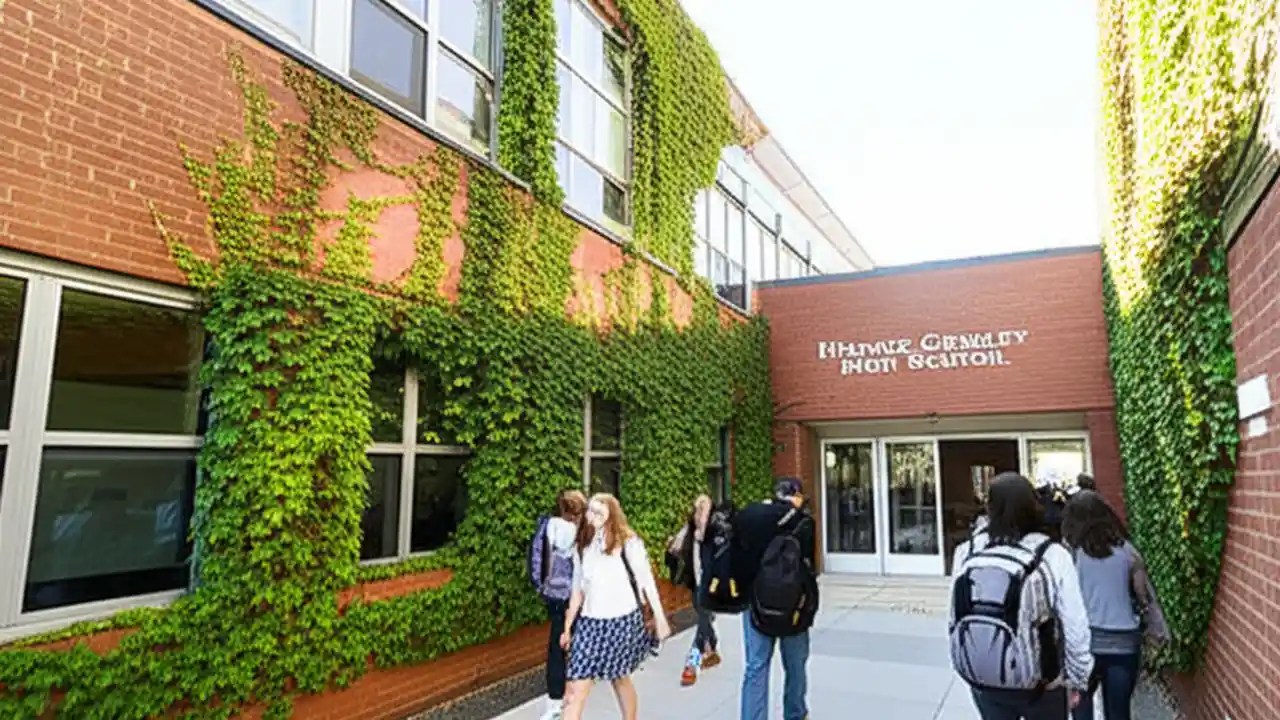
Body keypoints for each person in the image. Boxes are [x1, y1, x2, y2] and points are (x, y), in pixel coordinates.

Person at [950, 472, 1093, 720]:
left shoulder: (967, 551)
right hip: (1043, 684)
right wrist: (1078, 679)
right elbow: (1075, 624)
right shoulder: (1051, 554)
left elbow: (954, 617)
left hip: (986, 679)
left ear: (990, 507)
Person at [560, 494, 671, 720]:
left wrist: (660, 618)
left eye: (599, 513)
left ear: (611, 517)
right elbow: (577, 590)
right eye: (590, 511)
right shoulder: (582, 546)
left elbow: (646, 582)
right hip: (590, 624)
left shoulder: (629, 543)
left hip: (621, 622)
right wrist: (568, 626)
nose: (592, 517)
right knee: (575, 688)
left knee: (619, 678)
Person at [1061, 491, 1153, 720]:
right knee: (1119, 712)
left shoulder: (1070, 554)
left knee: (1081, 712)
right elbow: (1143, 597)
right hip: (1123, 645)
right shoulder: (1128, 552)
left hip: (1083, 647)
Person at [733, 478, 816, 720]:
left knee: (756, 667)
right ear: (797, 496)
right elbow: (808, 568)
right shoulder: (802, 522)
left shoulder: (749, 516)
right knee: (796, 667)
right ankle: (796, 714)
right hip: (793, 607)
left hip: (756, 604)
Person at [535, 489, 586, 720]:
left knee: (556, 646)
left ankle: (554, 700)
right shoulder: (582, 533)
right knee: (578, 643)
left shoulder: (549, 527)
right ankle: (573, 693)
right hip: (576, 596)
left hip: (553, 595)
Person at [667, 494, 721, 686]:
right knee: (704, 619)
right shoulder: (690, 529)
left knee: (703, 622)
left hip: (711, 583)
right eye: (698, 511)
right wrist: (674, 544)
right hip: (697, 581)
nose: (700, 516)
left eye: (704, 511)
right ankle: (711, 648)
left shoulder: (716, 530)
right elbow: (676, 547)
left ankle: (692, 664)